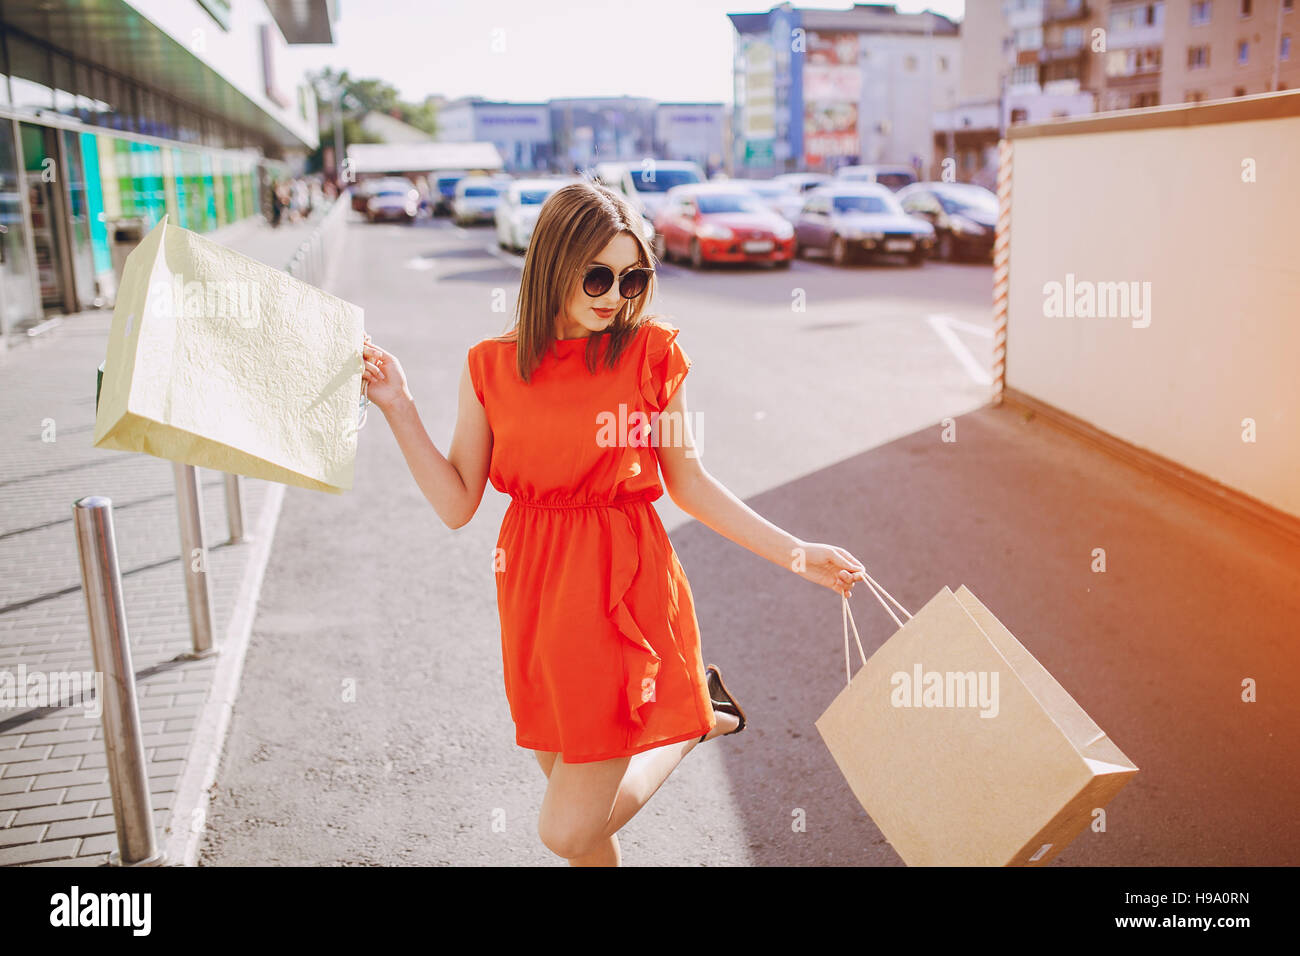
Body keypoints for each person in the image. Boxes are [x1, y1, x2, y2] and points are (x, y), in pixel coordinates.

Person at [360, 180, 869, 866]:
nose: (615, 294)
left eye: (633, 277)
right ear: (552, 267)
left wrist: (798, 553)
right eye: (597, 275)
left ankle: (691, 725)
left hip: (621, 594)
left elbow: (689, 483)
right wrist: (398, 407)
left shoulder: (649, 354)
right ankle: (696, 715)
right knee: (586, 825)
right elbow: (456, 504)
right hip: (536, 598)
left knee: (566, 827)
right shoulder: (491, 365)